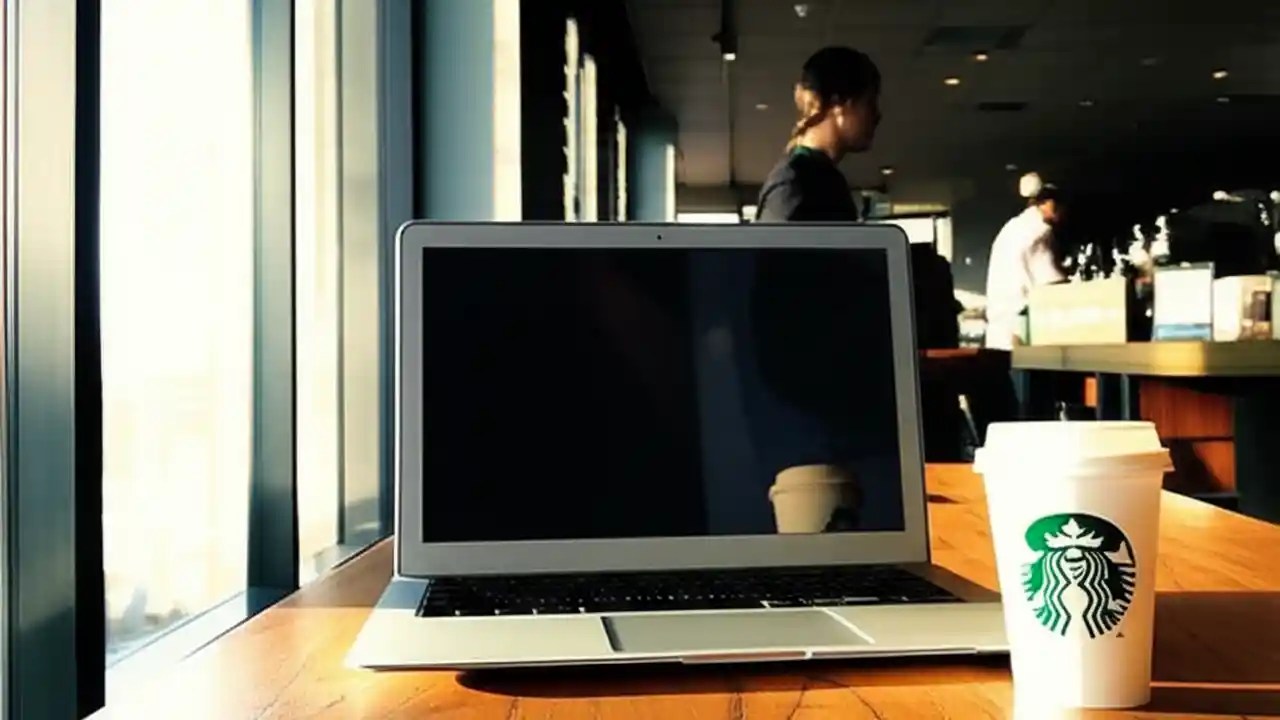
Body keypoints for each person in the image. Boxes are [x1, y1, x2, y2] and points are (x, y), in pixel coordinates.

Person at [755, 46, 881, 222]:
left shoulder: (821, 180)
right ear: (838, 105)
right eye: (869, 103)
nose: (876, 116)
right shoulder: (796, 183)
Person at [984, 173, 1066, 350]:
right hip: (1021, 334)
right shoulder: (1039, 231)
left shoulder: (1012, 227)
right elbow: (1052, 285)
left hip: (999, 335)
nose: (1063, 209)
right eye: (1059, 202)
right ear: (1045, 202)